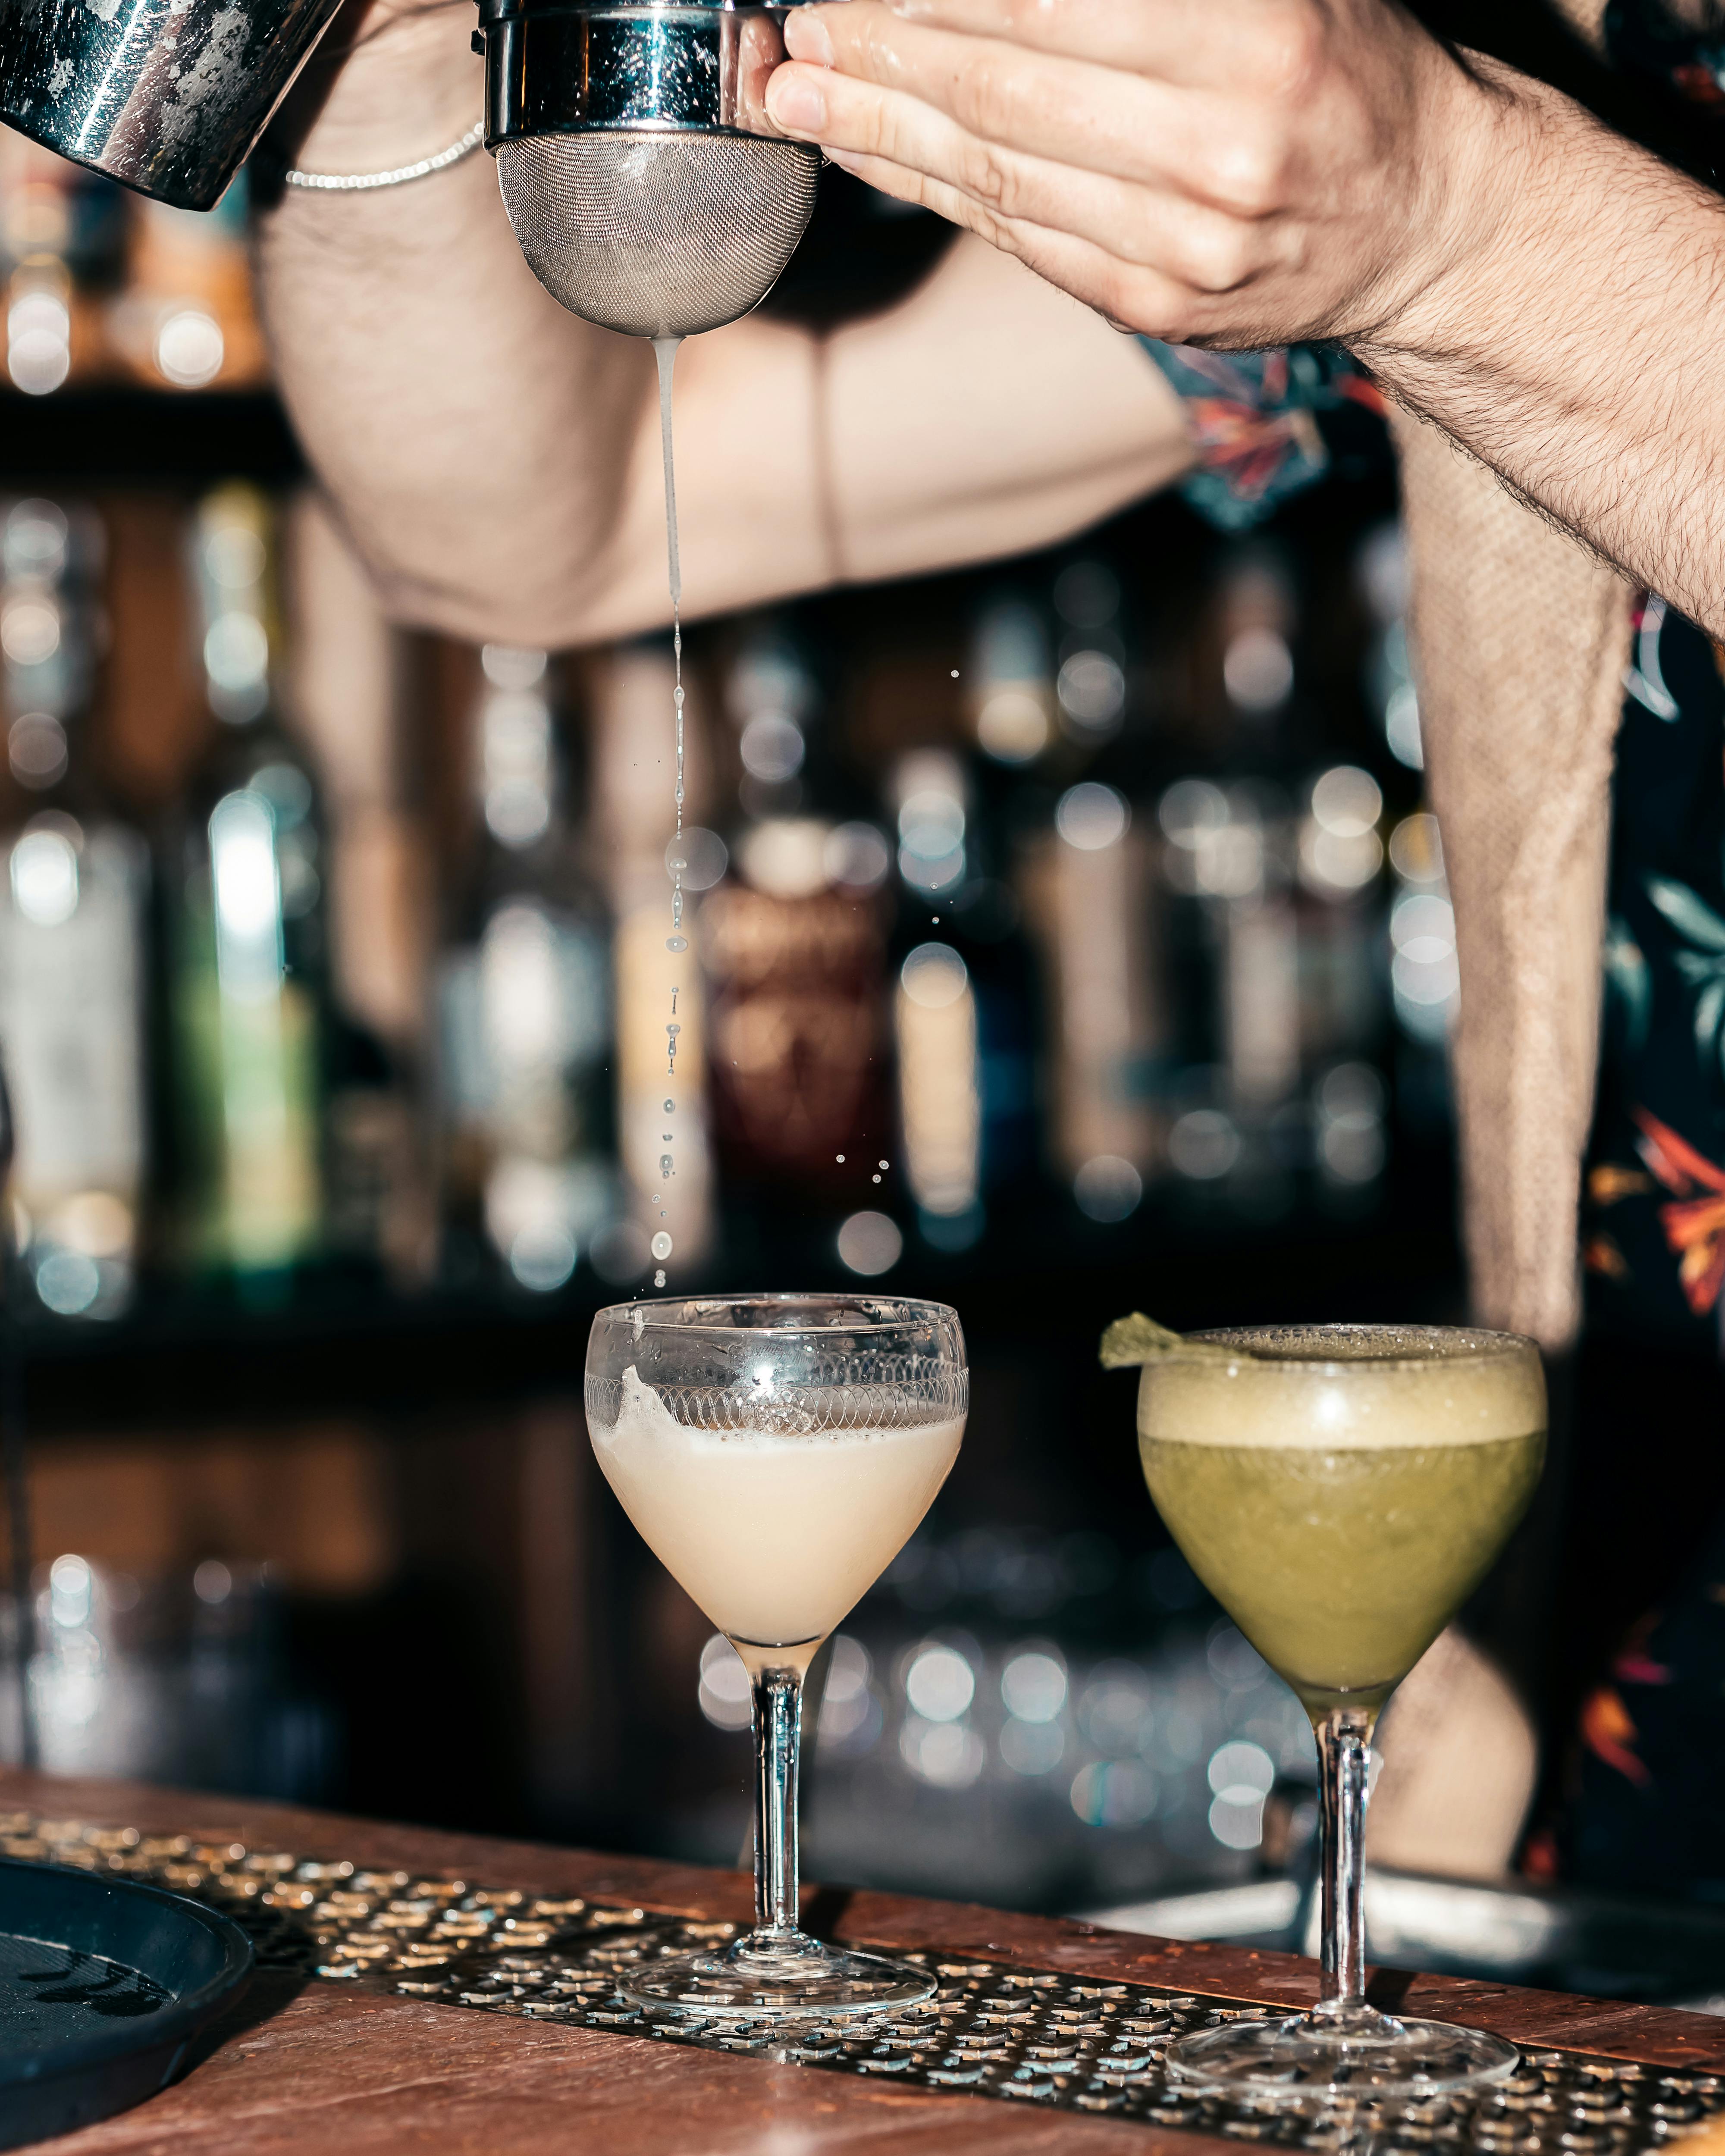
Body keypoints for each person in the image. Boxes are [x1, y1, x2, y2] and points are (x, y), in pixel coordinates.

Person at [256, 0, 1725, 1889]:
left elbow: (1462, 209)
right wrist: (368, 55)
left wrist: (1464, 217)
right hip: (1616, 1784)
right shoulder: (1569, 36)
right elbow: (558, 519)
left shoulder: (1486, 120)